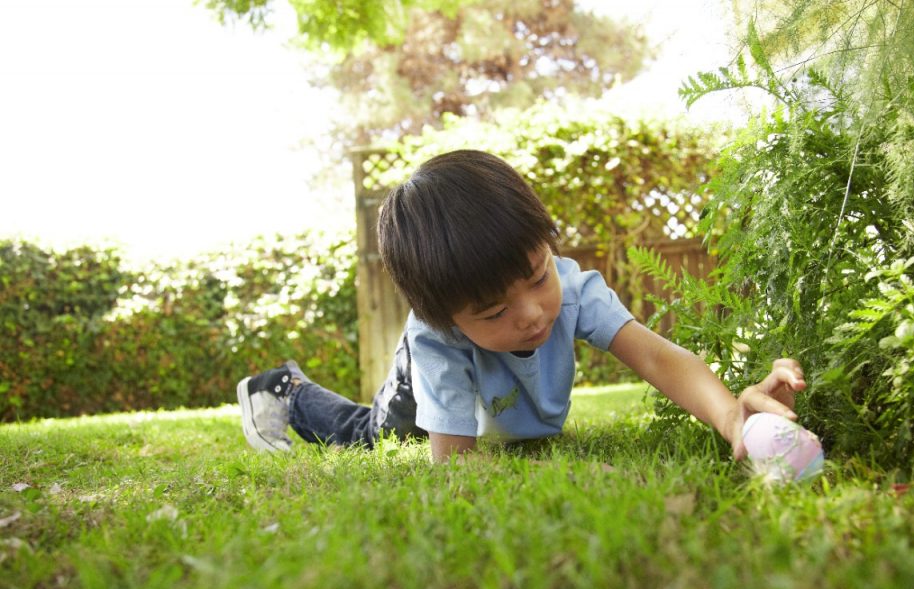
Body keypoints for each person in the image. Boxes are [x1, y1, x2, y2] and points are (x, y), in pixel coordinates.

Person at [237, 150, 806, 464]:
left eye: (537, 276)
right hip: (414, 393)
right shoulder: (438, 338)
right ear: (448, 317)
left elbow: (657, 359)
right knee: (370, 434)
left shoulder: (574, 288)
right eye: (492, 312)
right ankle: (285, 389)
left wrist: (731, 413)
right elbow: (456, 464)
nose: (532, 313)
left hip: (479, 373)